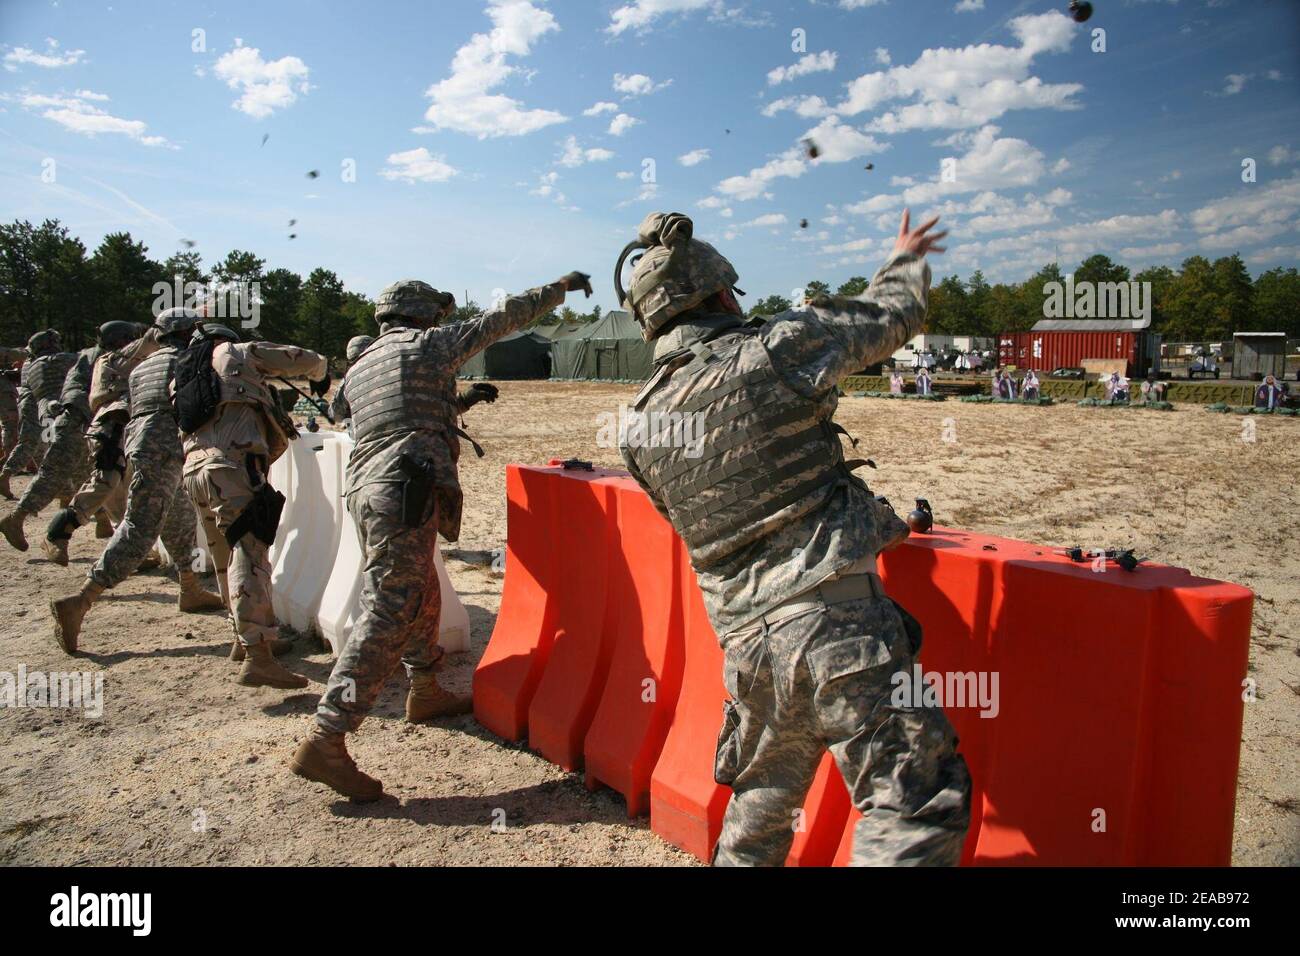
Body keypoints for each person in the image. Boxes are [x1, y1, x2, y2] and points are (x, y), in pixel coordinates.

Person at [617, 209, 970, 866]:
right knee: (913, 802)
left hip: (749, 649)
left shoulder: (636, 427)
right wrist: (905, 257)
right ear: (721, 293)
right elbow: (891, 314)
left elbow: (708, 523)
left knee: (759, 811)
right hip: (840, 626)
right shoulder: (774, 350)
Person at [291, 271, 592, 802]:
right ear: (422, 314)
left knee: (420, 583)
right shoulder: (426, 344)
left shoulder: (363, 364)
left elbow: (368, 414)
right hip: (401, 488)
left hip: (367, 489)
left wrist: (460, 402)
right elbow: (501, 320)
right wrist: (557, 288)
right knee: (391, 604)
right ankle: (327, 736)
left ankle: (425, 686)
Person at [49, 309, 225, 653]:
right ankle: (80, 601)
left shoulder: (142, 365)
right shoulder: (189, 358)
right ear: (189, 333)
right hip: (164, 447)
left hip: (143, 443)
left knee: (180, 516)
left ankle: (189, 587)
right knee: (140, 527)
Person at [180, 323, 328, 689]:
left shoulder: (183, 374)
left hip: (194, 471)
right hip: (232, 468)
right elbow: (303, 360)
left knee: (223, 557)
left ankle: (241, 638)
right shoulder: (237, 353)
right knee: (249, 554)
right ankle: (259, 656)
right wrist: (322, 371)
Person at [43, 322, 159, 565]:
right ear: (121, 340)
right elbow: (149, 340)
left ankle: (128, 552)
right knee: (105, 483)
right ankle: (57, 533)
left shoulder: (114, 361)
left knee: (122, 495)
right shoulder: (115, 360)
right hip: (111, 431)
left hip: (121, 431)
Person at [0, 330, 99, 556]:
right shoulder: (67, 359)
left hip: (56, 425)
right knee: (68, 475)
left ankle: (96, 523)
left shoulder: (31, 368)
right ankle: (17, 519)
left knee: (82, 475)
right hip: (69, 422)